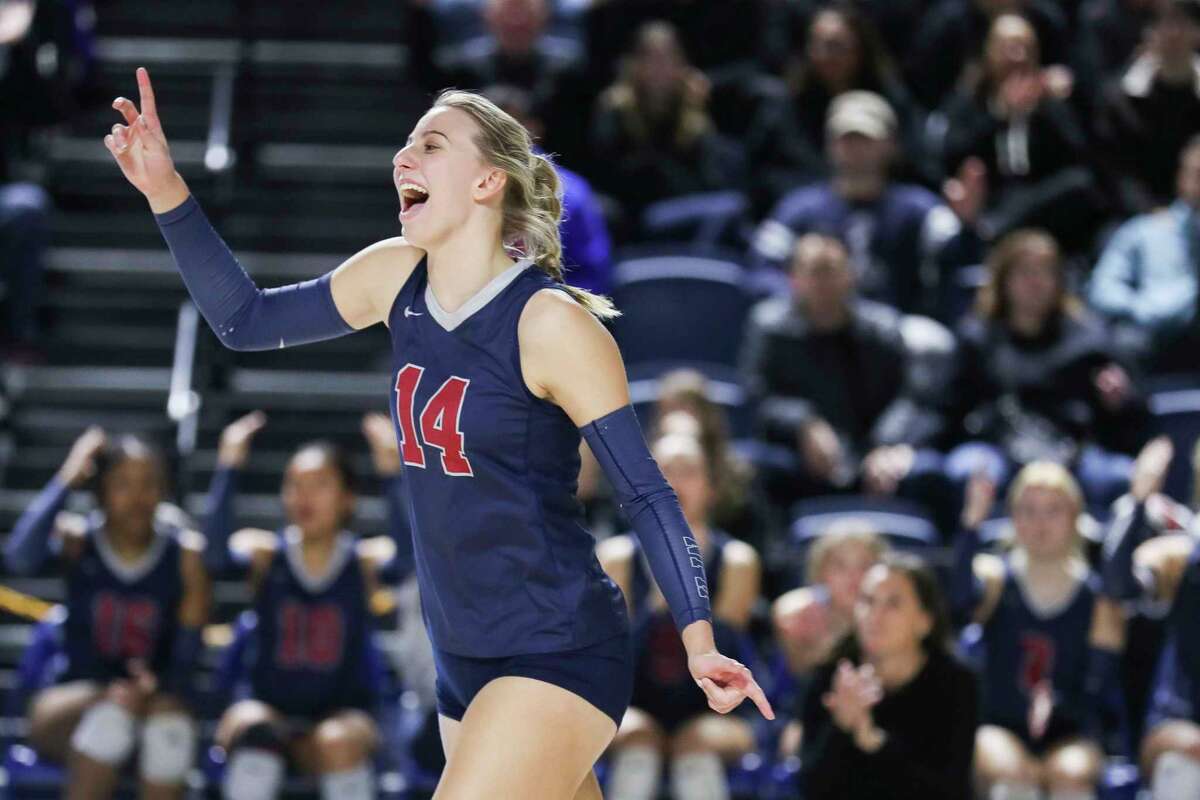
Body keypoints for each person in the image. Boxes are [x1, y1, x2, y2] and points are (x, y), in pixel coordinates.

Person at [103, 67, 770, 800]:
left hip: (557, 648)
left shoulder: (549, 323)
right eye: (406, 145)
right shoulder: (396, 278)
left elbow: (645, 492)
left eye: (431, 144)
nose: (402, 159)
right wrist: (164, 190)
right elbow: (246, 320)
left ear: (487, 183)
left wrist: (698, 636)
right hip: (461, 659)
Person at [4, 427, 210, 800]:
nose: (137, 497)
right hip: (75, 697)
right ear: (100, 491)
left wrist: (154, 686)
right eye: (123, 483)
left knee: (167, 732)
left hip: (152, 701)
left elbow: (187, 653)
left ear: (164, 489)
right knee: (109, 720)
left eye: (149, 483)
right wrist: (69, 476)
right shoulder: (78, 541)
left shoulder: (184, 556)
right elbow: (19, 556)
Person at [204, 412, 401, 800]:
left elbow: (409, 562)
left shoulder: (362, 561)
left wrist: (392, 471)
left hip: (340, 716)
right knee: (253, 728)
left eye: (320, 485)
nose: (304, 496)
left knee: (339, 740)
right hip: (269, 713)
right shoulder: (264, 553)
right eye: (294, 485)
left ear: (348, 498)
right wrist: (228, 466)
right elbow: (214, 557)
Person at [739, 234, 953, 515]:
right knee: (753, 466)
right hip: (798, 456)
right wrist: (803, 423)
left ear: (850, 275)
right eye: (816, 272)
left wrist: (887, 444)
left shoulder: (882, 329)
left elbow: (911, 397)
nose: (824, 284)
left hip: (875, 451)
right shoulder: (769, 327)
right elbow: (756, 396)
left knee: (927, 474)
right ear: (794, 279)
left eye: (833, 271)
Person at [598, 433, 761, 800]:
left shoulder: (737, 560)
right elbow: (618, 660)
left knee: (696, 746)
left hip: (714, 710)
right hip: (634, 704)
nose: (674, 483)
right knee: (637, 742)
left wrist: (685, 590)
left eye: (688, 471)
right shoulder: (617, 556)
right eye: (663, 472)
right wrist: (659, 597)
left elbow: (725, 655)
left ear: (711, 487)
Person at [952, 464, 1125, 799]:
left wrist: (1056, 704)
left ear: (1075, 515)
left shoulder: (1099, 599)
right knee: (1010, 774)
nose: (1039, 523)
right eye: (1027, 510)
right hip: (1002, 724)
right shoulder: (996, 580)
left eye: (1052, 510)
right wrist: (971, 523)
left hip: (1070, 730)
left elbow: (1099, 686)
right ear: (1012, 517)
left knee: (1071, 775)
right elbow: (959, 600)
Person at [945, 229, 1148, 509]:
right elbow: (948, 408)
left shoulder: (1089, 337)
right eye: (1025, 272)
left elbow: (1134, 417)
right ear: (1003, 280)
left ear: (1059, 280)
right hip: (998, 446)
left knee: (1116, 475)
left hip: (1072, 448)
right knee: (968, 470)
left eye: (1045, 272)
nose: (1035, 282)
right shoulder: (977, 337)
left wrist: (1119, 401)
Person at [752, 90, 984, 317]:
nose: (854, 149)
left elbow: (959, 262)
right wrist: (802, 299)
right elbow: (762, 270)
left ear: (890, 145)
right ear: (829, 145)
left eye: (865, 139)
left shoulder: (919, 209)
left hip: (900, 331)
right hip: (814, 328)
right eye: (846, 139)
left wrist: (966, 226)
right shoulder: (799, 209)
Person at [798, 552, 978, 799]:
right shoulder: (831, 676)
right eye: (868, 601)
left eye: (893, 604)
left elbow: (948, 790)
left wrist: (872, 740)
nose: (875, 615)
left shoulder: (956, 684)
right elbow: (810, 788)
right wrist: (840, 727)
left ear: (925, 621)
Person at [1101, 437, 1200, 800]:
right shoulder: (1180, 554)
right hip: (1181, 729)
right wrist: (1139, 501)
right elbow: (1118, 585)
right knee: (1182, 769)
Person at [588, 21, 745, 221]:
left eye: (668, 58)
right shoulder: (615, 109)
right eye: (651, 58)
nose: (660, 67)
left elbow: (707, 175)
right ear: (635, 64)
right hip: (631, 212)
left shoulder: (691, 110)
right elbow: (607, 173)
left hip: (681, 208)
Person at [1088, 137, 1200, 375]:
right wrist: (1140, 307)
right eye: (1199, 173)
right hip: (1152, 331)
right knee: (1121, 344)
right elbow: (1102, 288)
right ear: (1182, 177)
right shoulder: (1144, 231)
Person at [1095, 0, 1200, 213]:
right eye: (1162, 23)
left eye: (1182, 22)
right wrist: (1150, 211)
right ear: (1146, 32)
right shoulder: (1119, 100)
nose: (1173, 33)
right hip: (1140, 216)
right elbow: (1117, 173)